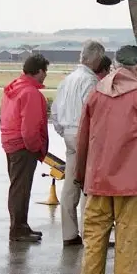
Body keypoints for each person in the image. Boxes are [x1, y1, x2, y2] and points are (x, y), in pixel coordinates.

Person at [74, 45, 137, 274]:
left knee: (94, 244)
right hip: (133, 185)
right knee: (128, 246)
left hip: (97, 183)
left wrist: (80, 175)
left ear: (115, 64)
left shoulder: (96, 95)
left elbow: (83, 140)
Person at [50, 40, 106, 247]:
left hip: (68, 134)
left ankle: (69, 234)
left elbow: (55, 111)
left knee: (70, 184)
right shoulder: (90, 81)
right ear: (97, 58)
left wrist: (63, 130)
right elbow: (93, 113)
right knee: (88, 185)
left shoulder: (67, 80)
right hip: (85, 135)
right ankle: (90, 234)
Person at [0, 54, 50, 243]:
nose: (46, 76)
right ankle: (18, 229)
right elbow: (30, 128)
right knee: (21, 188)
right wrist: (36, 148)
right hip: (23, 146)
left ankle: (20, 225)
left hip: (10, 142)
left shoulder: (13, 88)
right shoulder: (31, 93)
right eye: (45, 71)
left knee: (17, 186)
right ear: (38, 71)